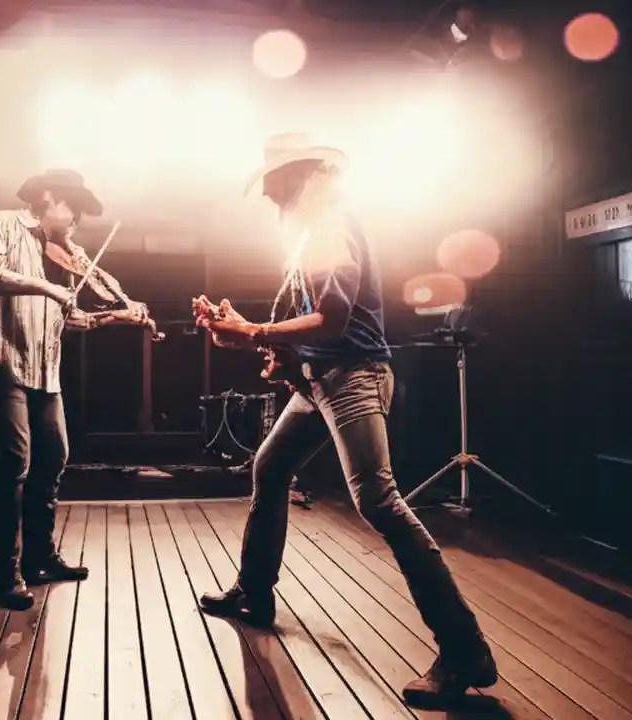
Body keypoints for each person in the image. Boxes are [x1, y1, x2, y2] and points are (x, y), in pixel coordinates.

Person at [193, 134, 497, 704]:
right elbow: (309, 333)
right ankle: (255, 592)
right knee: (270, 466)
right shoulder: (312, 235)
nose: (268, 198)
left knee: (379, 502)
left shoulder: (330, 224)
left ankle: (464, 650)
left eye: (275, 185)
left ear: (304, 178)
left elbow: (334, 322)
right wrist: (246, 329)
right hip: (322, 382)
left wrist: (253, 332)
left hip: (354, 377)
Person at [0, 168, 148, 610]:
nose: (78, 220)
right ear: (46, 197)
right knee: (13, 463)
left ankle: (40, 559)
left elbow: (71, 319)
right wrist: (48, 287)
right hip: (1, 362)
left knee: (55, 456)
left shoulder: (62, 253)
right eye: (74, 208)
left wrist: (119, 316)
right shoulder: (2, 223)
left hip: (45, 371)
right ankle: (4, 579)